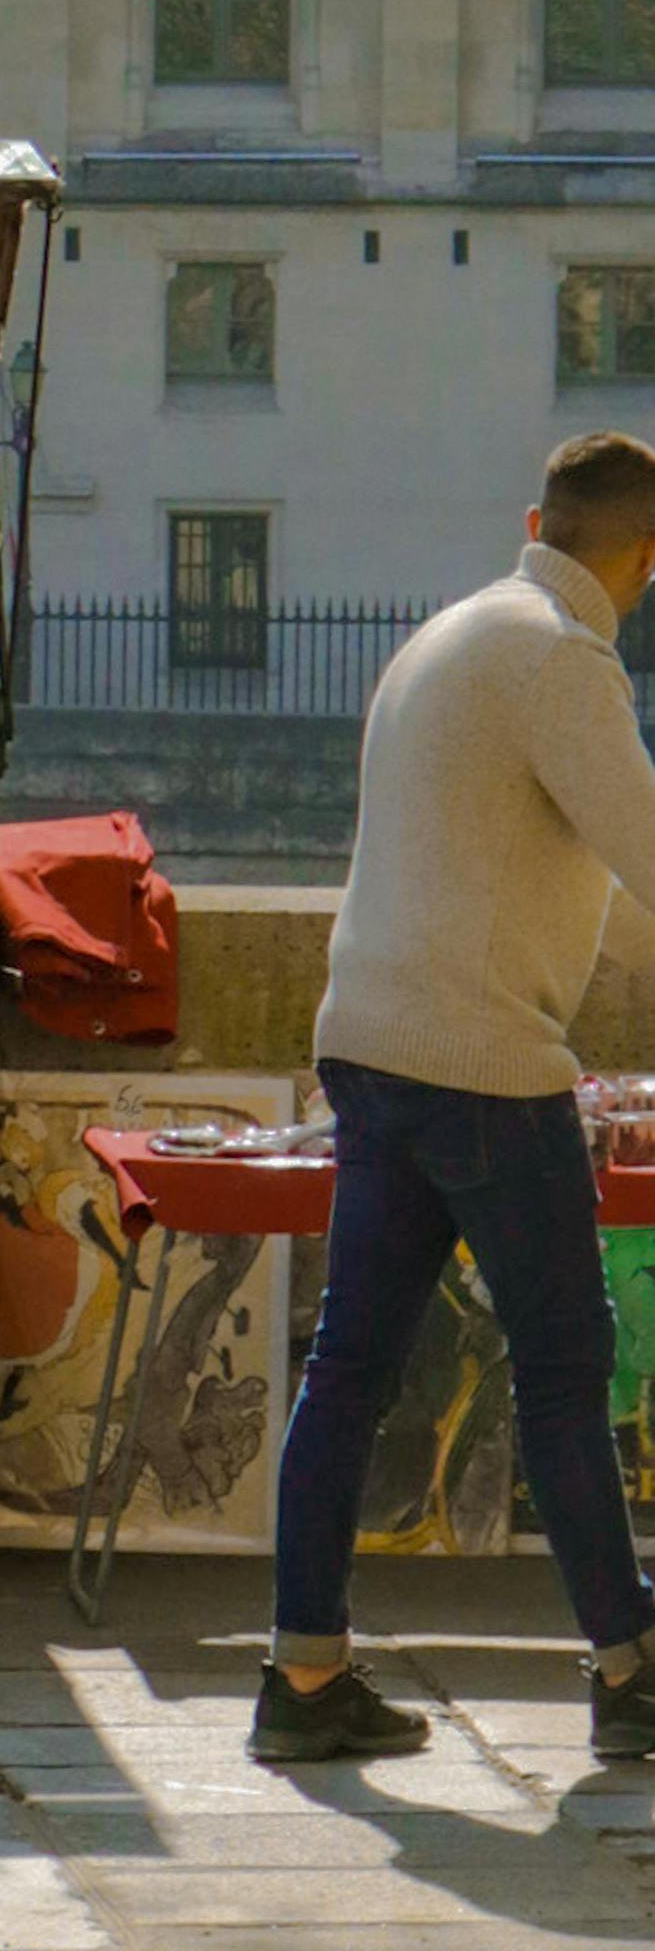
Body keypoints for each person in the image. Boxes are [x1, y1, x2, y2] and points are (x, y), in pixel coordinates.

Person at [255, 431, 655, 1766]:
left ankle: (304, 1678)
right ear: (645, 561)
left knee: (347, 1369)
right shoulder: (563, 656)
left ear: (538, 517)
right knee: (564, 1366)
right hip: (480, 1064)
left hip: (371, 1042)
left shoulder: (453, 633)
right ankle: (631, 1665)